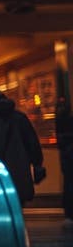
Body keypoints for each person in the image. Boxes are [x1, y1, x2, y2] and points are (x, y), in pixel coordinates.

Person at [56, 91, 73, 227]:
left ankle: (69, 213)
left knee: (68, 183)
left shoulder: (60, 121)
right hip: (68, 155)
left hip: (67, 157)